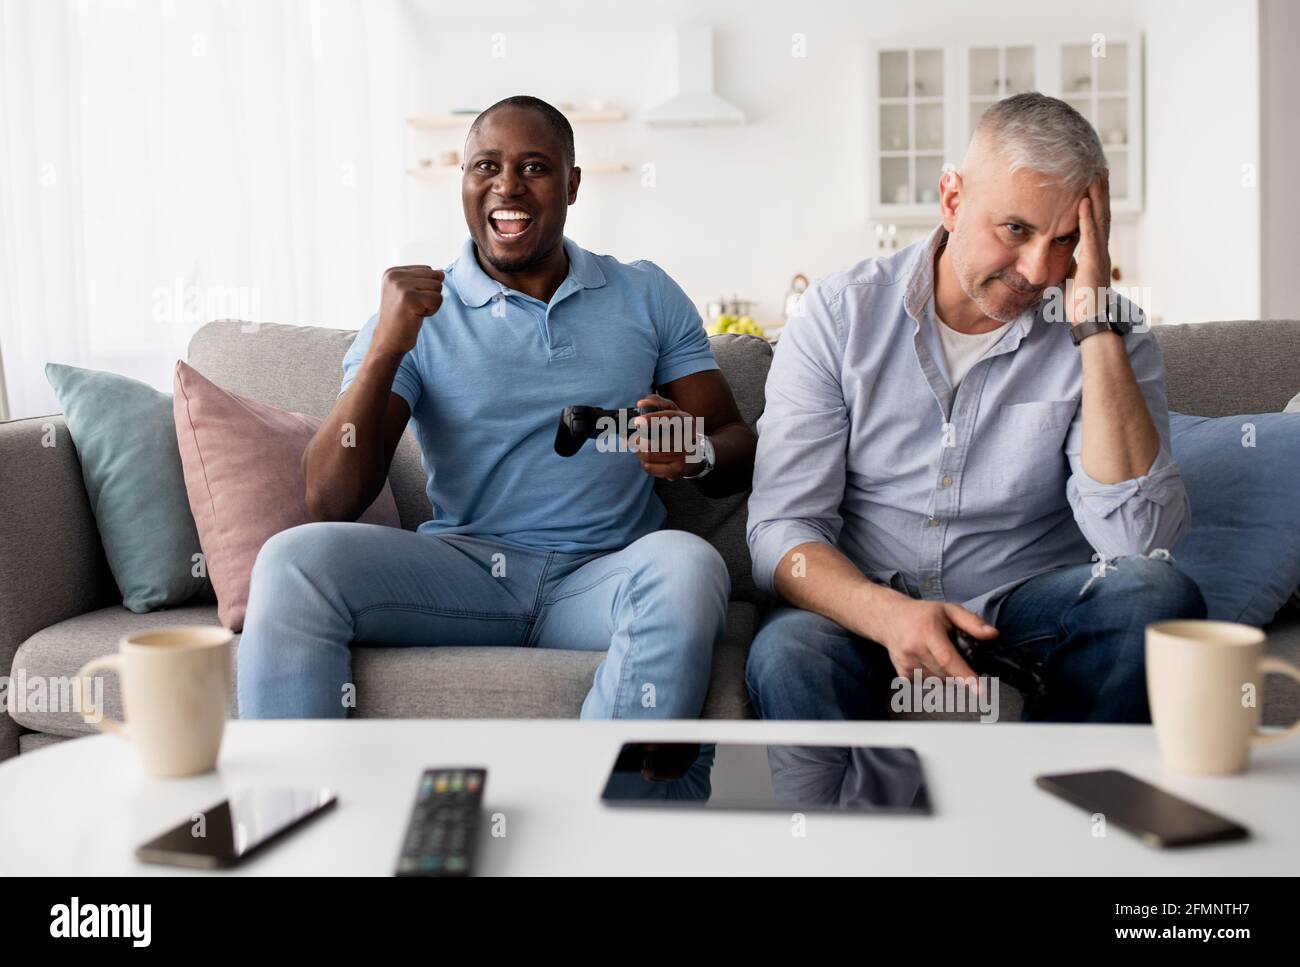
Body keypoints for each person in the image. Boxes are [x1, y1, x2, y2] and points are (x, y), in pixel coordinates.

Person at [238, 95, 756, 720]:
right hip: (463, 574)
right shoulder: (416, 313)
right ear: (463, 181)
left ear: (572, 185)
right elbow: (331, 499)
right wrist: (385, 349)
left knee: (690, 564)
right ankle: (294, 806)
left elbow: (735, 442)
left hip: (603, 577)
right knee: (293, 560)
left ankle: (610, 805)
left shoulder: (645, 293)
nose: (506, 185)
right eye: (485, 165)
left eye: (535, 167)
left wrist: (694, 451)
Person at [746, 93, 1206, 724]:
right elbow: (782, 530)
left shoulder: (1109, 334)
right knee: (787, 649)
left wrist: (1094, 325)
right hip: (871, 611)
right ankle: (852, 825)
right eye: (1016, 229)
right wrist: (887, 614)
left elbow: (1139, 541)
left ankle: (1073, 807)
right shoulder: (839, 315)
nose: (1038, 269)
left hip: (1025, 609)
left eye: (1066, 239)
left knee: (1154, 594)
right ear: (953, 199)